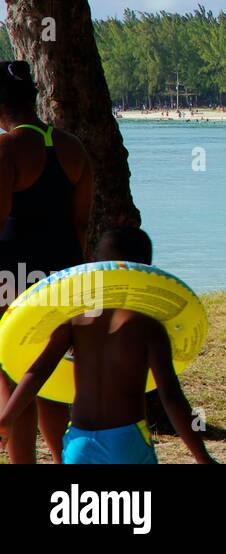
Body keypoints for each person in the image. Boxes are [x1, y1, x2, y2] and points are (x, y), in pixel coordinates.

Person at [0, 227, 214, 464]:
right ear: (145, 269)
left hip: (79, 440)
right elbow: (171, 396)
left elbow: (38, 371)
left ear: (95, 265)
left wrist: (7, 417)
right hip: (125, 439)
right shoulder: (148, 327)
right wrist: (201, 456)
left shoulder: (77, 320)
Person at [0, 60, 94, 464]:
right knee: (50, 376)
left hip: (12, 276)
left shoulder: (7, 149)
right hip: (62, 277)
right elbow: (81, 225)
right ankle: (63, 463)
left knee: (11, 372)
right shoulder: (73, 148)